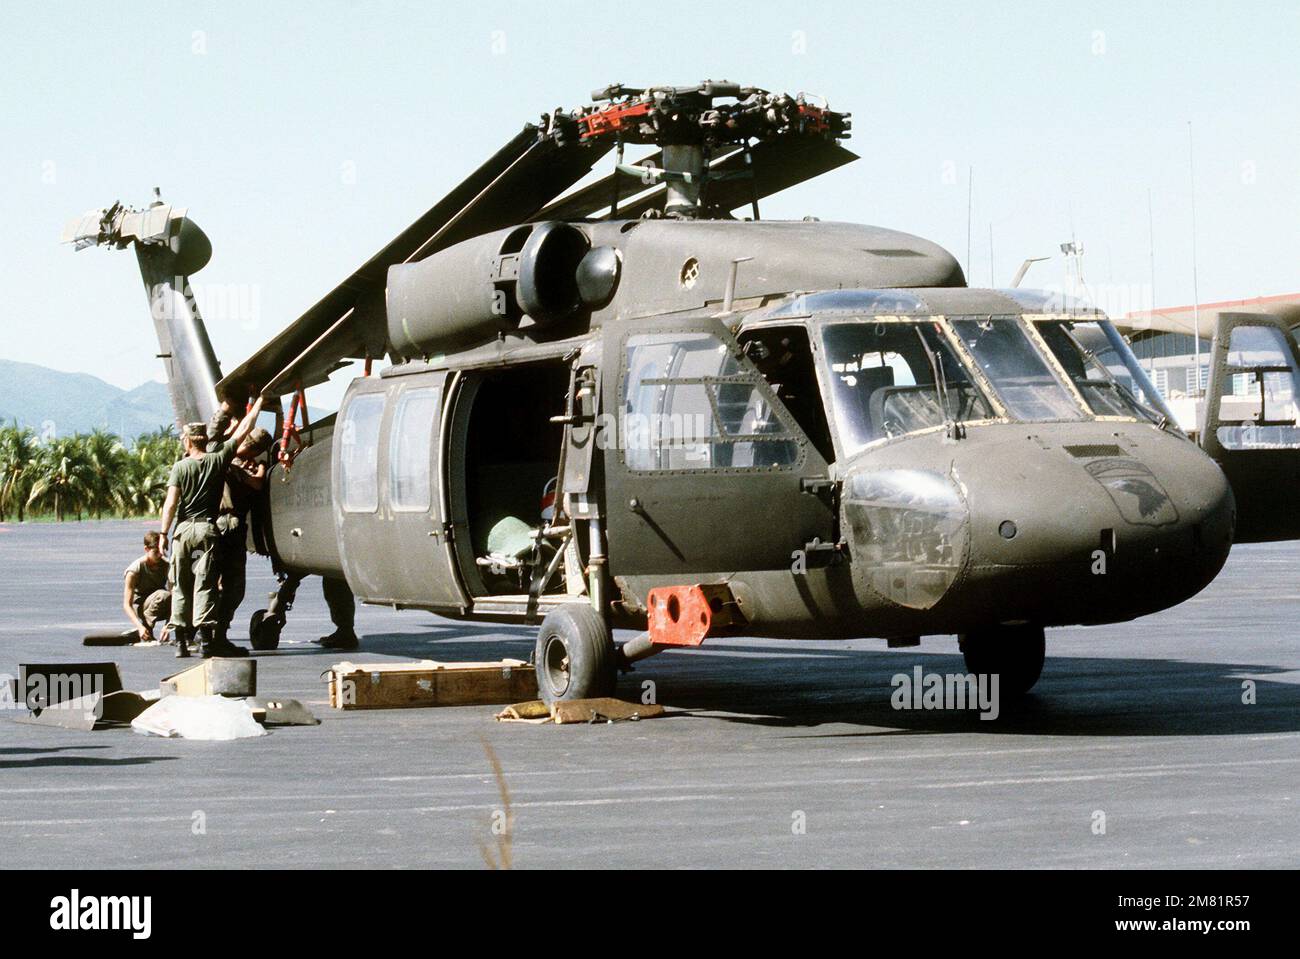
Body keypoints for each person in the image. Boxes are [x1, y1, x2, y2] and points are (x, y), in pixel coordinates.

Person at [160, 395, 265, 658]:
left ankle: (182, 640)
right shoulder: (218, 459)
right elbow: (241, 432)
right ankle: (208, 641)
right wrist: (259, 403)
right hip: (208, 530)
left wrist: (163, 532)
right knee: (205, 584)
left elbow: (170, 503)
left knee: (183, 584)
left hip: (184, 530)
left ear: (187, 441)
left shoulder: (181, 466)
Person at [213, 427, 273, 644]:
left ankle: (203, 634)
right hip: (230, 525)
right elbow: (256, 483)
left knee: (211, 583)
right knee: (234, 585)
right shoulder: (233, 462)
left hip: (214, 527)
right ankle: (218, 635)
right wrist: (262, 468)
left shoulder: (217, 456)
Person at [122, 531, 171, 643]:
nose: (160, 555)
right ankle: (146, 628)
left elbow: (175, 596)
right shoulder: (134, 570)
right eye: (156, 551)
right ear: (146, 549)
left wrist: (169, 624)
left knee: (183, 599)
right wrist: (140, 627)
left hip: (159, 604)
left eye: (161, 550)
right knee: (163, 595)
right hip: (141, 607)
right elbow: (127, 605)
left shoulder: (167, 566)